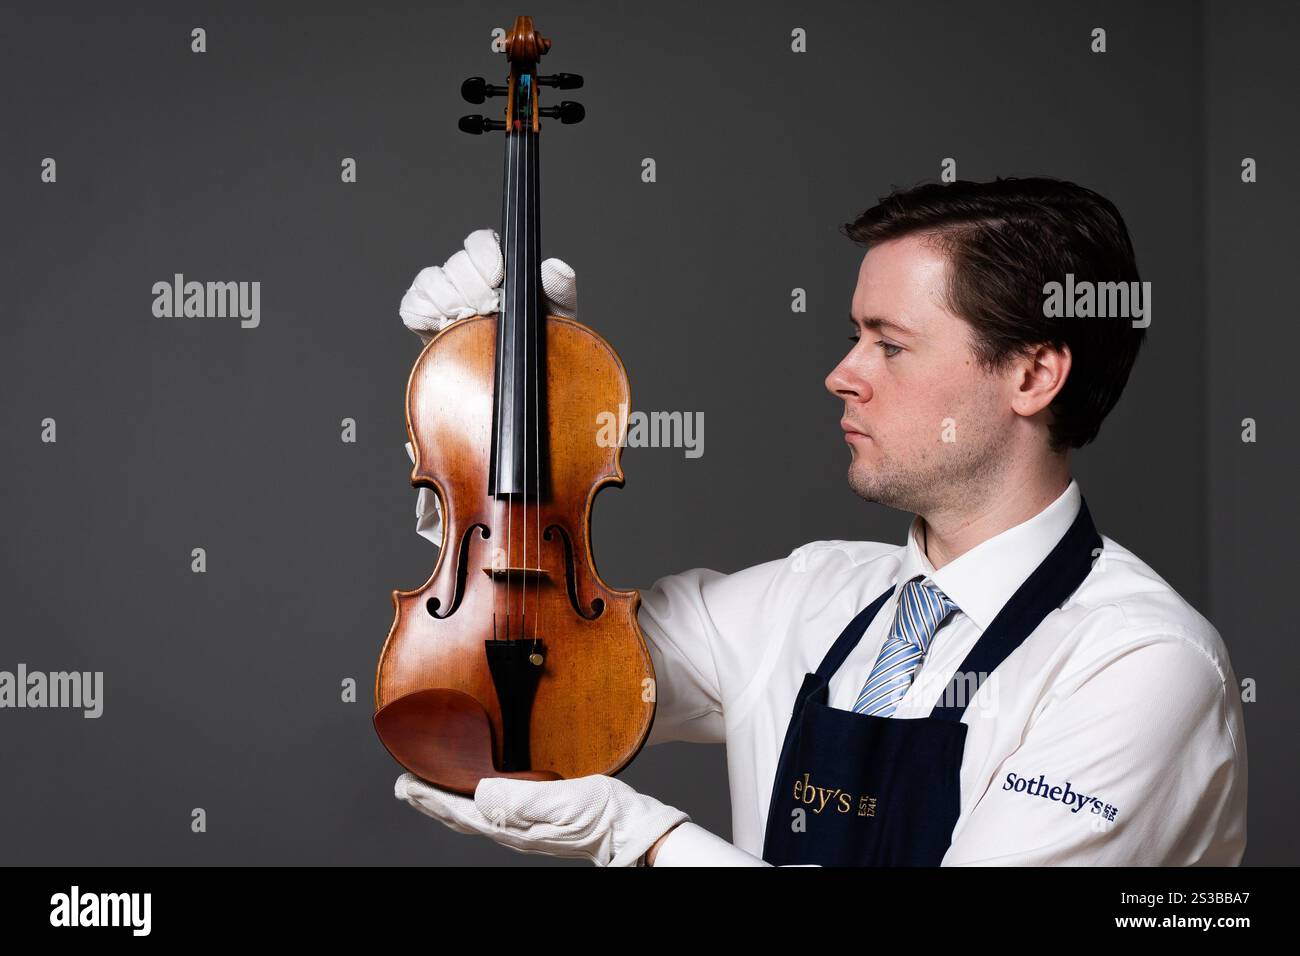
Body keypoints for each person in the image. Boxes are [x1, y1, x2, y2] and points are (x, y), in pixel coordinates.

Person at [389, 177, 1247, 867]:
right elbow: (538, 672)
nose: (841, 373)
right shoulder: (809, 596)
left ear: (1033, 376)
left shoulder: (1141, 665)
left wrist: (643, 843)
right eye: (852, 335)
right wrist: (506, 399)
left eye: (890, 343)